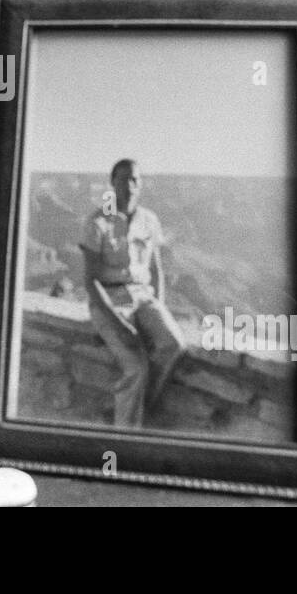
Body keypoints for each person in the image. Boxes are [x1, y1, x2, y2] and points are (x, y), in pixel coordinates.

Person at [79, 159, 186, 427]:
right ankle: (126, 436)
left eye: (135, 179)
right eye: (123, 179)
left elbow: (156, 268)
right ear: (112, 183)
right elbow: (91, 282)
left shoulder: (150, 220)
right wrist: (118, 322)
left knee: (173, 344)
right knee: (137, 368)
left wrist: (158, 310)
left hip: (143, 296)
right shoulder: (97, 221)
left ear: (141, 184)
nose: (129, 185)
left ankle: (132, 411)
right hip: (110, 300)